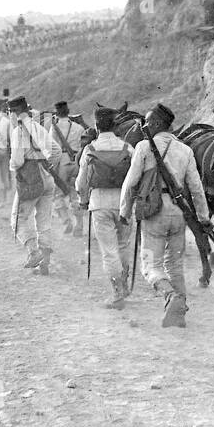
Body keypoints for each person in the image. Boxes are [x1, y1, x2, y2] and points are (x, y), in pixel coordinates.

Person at [119, 104, 212, 328]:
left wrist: (124, 211)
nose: (144, 126)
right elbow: (196, 188)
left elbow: (131, 183)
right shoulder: (185, 150)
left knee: (149, 265)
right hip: (179, 212)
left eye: (148, 122)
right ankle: (178, 315)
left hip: (154, 212)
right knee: (174, 265)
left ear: (158, 124)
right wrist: (203, 217)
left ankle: (171, 296)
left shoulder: (143, 147)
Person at [75, 108, 136, 309]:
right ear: (116, 126)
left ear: (96, 126)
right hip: (124, 204)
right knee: (124, 244)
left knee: (108, 250)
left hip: (99, 203)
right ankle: (124, 282)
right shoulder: (127, 148)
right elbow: (136, 178)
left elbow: (81, 182)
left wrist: (83, 200)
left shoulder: (90, 149)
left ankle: (117, 292)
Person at [8, 96, 60, 275]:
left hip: (30, 178)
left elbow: (17, 160)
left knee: (17, 219)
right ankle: (45, 263)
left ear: (14, 113)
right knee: (44, 222)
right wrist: (49, 163)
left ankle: (33, 252)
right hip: (46, 176)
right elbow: (56, 150)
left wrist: (13, 167)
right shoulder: (38, 127)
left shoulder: (18, 131)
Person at [47, 101, 86, 236]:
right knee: (76, 194)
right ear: (68, 111)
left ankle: (66, 221)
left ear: (56, 113)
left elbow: (52, 149)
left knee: (57, 194)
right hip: (76, 161)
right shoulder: (78, 127)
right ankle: (79, 225)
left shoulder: (54, 128)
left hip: (61, 162)